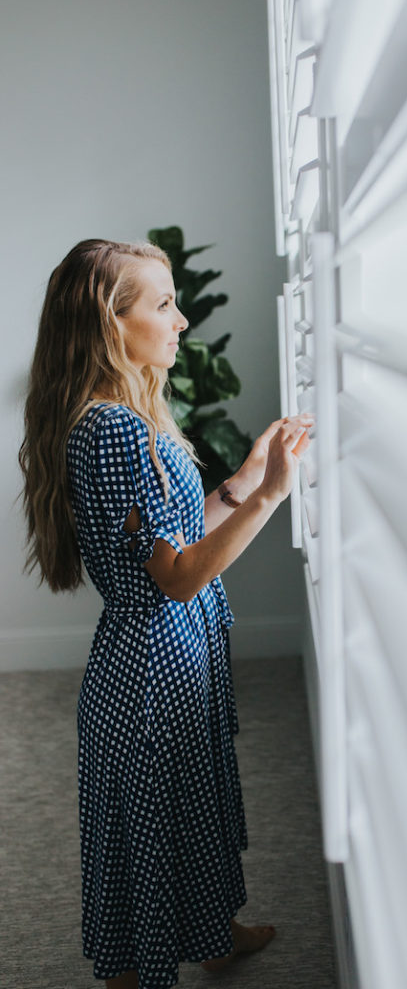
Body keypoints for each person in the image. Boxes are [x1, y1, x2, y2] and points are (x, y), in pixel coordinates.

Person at [18, 238, 313, 989]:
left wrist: (243, 480)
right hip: (151, 664)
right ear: (110, 326)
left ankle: (213, 934)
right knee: (153, 823)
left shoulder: (124, 413)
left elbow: (174, 533)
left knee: (194, 801)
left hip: (168, 654)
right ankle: (139, 972)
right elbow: (177, 577)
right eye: (162, 304)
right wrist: (275, 498)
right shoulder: (113, 430)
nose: (181, 321)